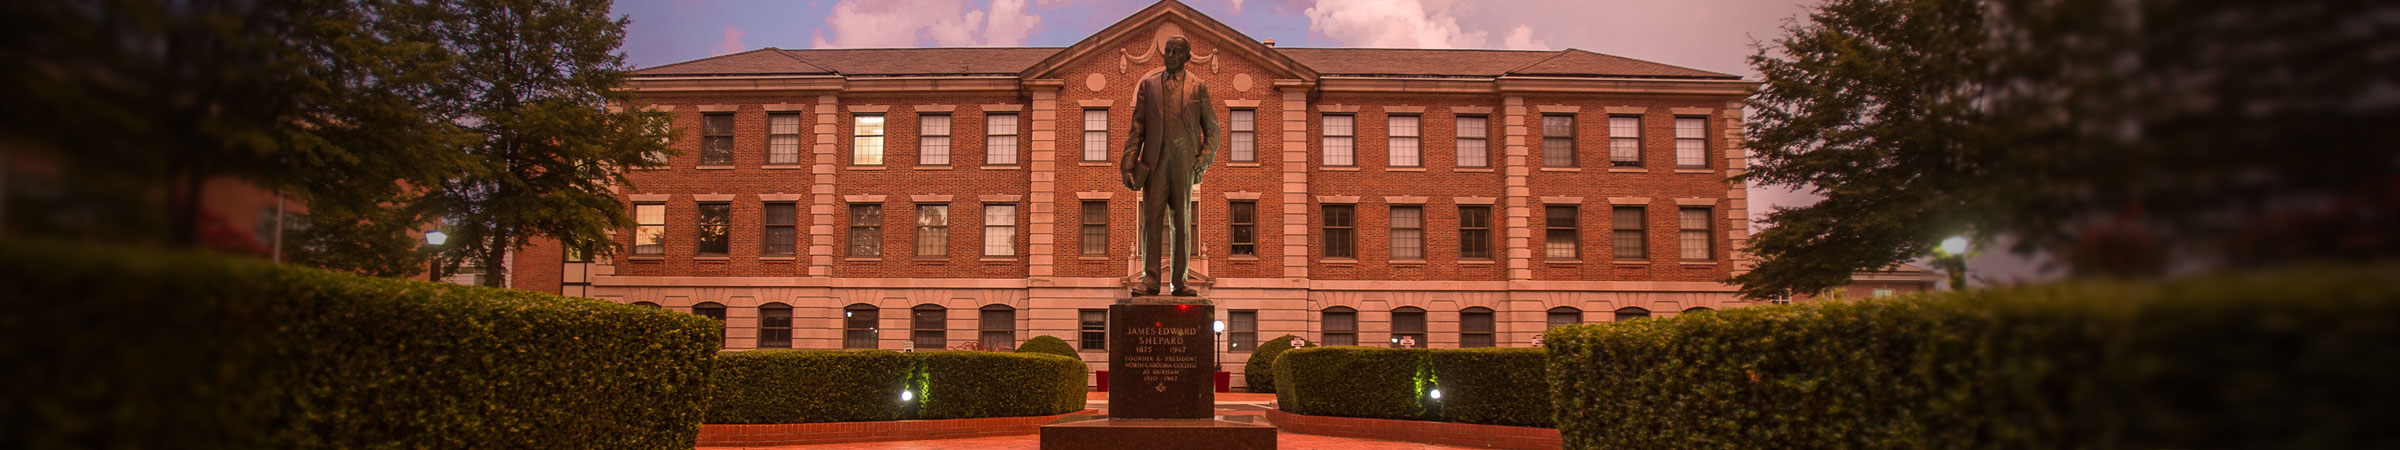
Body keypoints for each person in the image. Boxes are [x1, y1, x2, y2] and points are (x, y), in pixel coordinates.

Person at [1119, 36, 1218, 297]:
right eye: (1167, 51)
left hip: (1184, 164)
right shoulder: (1148, 85)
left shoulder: (1198, 87)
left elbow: (1213, 129)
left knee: (1182, 222)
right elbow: (1137, 128)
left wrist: (1203, 160)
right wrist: (1128, 164)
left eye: (1176, 52)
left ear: (1187, 57)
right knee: (1150, 221)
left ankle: (1180, 281)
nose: (1170, 56)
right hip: (1154, 163)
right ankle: (1149, 279)